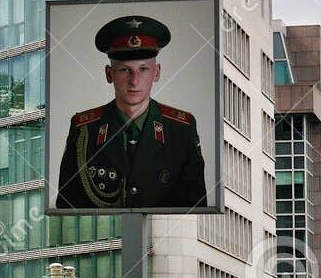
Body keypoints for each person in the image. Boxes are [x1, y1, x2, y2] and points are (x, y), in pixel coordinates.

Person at [55, 16, 208, 211]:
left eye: (143, 69)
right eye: (125, 70)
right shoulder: (84, 129)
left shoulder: (181, 128)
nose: (134, 81)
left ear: (157, 72)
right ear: (109, 74)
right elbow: (67, 205)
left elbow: (195, 207)